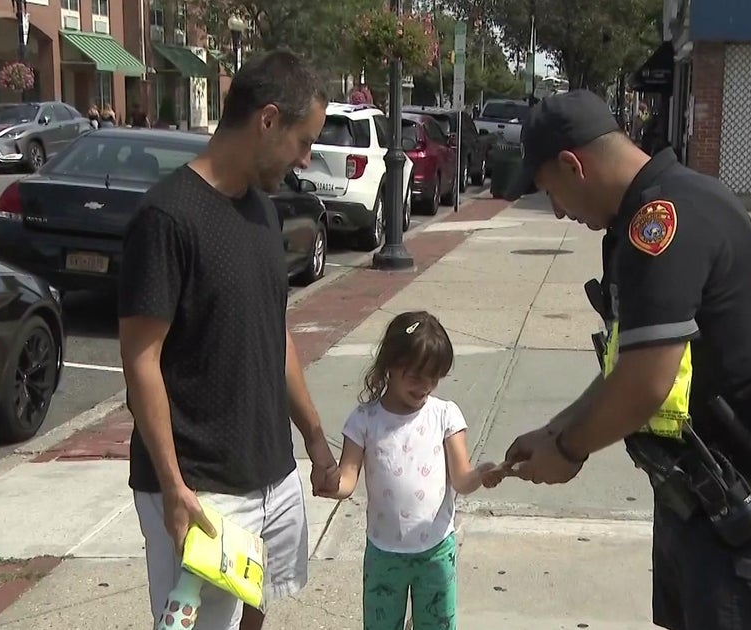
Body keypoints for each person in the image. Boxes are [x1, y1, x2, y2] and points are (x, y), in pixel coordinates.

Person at [487, 89, 751, 630]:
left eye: (550, 191)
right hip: (704, 491)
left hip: (750, 500)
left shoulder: (662, 222)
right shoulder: (650, 212)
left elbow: (647, 383)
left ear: (573, 165)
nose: (556, 211)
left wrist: (570, 451)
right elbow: (630, 366)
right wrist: (555, 429)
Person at [118, 50, 338, 630]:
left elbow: (274, 334)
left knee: (255, 609)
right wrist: (172, 485)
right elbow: (140, 361)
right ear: (268, 121)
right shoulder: (167, 218)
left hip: (270, 470)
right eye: (303, 141)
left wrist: (313, 438)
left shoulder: (262, 214)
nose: (306, 159)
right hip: (201, 488)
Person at [320, 310, 501, 630]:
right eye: (416, 376)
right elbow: (347, 479)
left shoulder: (445, 415)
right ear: (391, 364)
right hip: (384, 553)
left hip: (435, 551)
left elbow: (461, 477)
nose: (425, 386)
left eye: (434, 376)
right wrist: (331, 482)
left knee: (438, 624)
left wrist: (481, 475)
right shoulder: (364, 420)